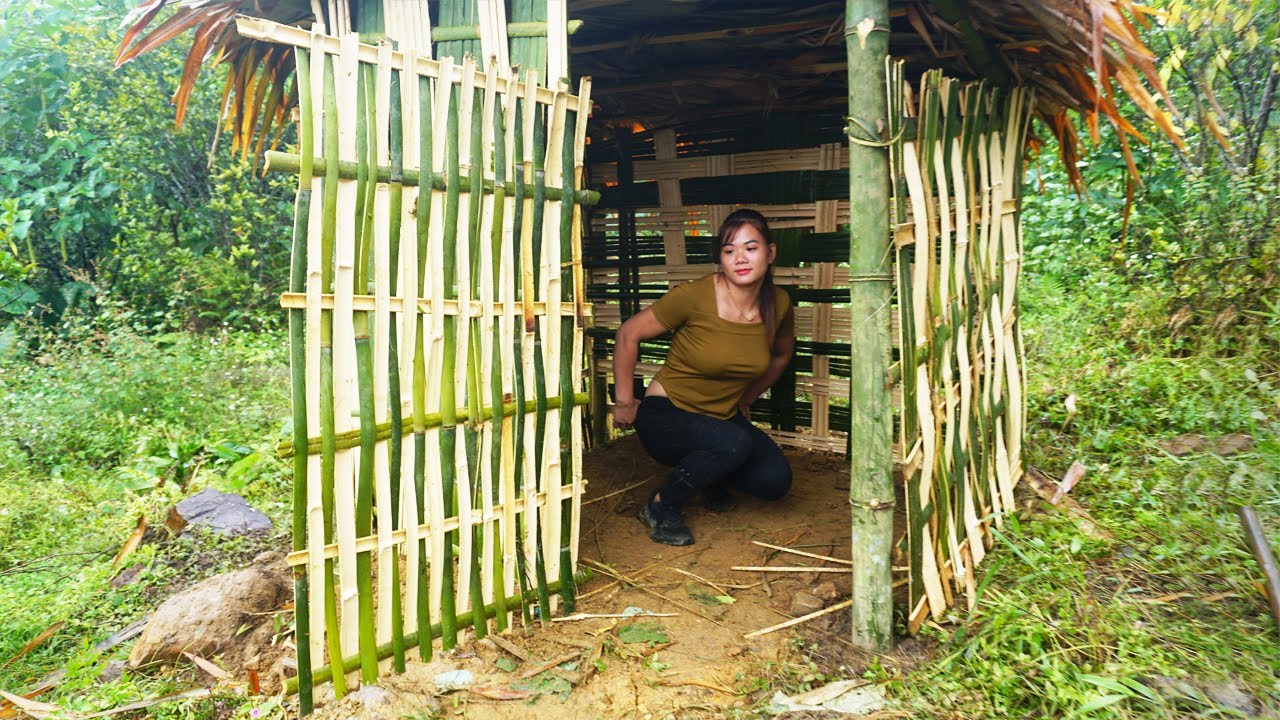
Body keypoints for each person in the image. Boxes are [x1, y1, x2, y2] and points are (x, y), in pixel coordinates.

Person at [612, 208, 795, 546]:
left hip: (721, 420)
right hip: (667, 413)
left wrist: (747, 397)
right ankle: (660, 504)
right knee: (731, 442)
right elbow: (628, 334)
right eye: (729, 251)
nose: (740, 258)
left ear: (770, 253)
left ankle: (709, 475)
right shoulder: (694, 297)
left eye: (750, 248)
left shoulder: (779, 304)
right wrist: (624, 401)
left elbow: (782, 355)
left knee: (774, 482)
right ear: (720, 259)